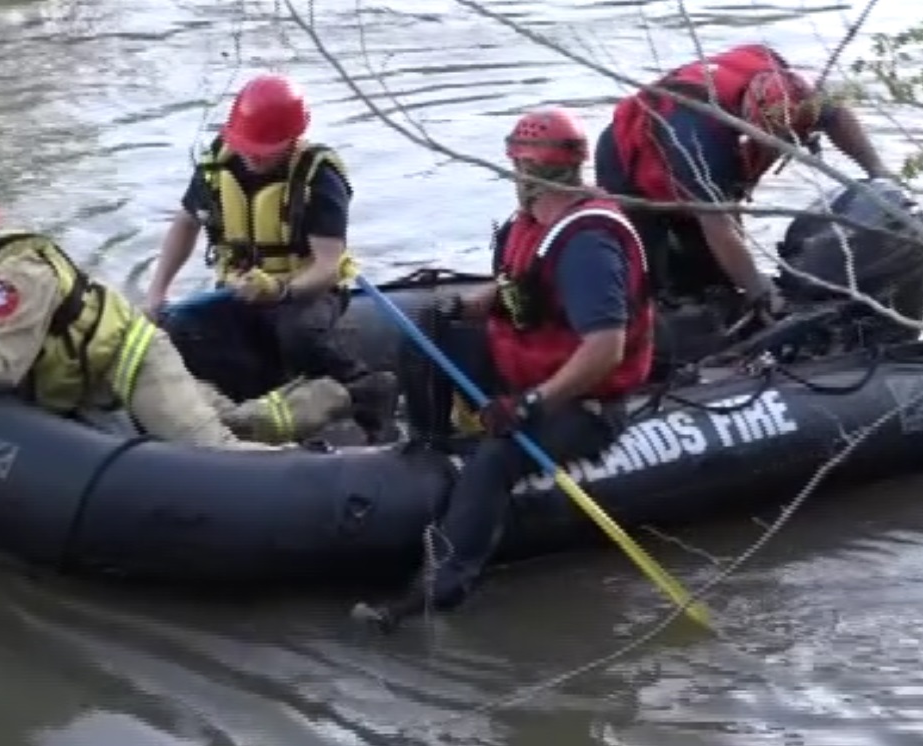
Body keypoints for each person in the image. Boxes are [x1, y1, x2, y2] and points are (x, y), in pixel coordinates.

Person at [352, 108, 656, 632]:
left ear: (530, 170)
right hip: (528, 363)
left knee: (496, 460)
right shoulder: (538, 221)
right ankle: (431, 447)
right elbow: (517, 284)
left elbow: (606, 346)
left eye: (517, 166)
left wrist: (532, 405)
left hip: (581, 399)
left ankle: (442, 587)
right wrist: (463, 308)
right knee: (427, 331)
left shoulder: (587, 244)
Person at [0, 171, 351, 448]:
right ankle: (334, 397)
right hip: (89, 380)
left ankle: (326, 457)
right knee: (236, 421)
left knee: (213, 450)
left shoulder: (15, 276)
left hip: (130, 363)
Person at [143, 72, 398, 443]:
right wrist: (156, 293)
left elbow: (327, 266)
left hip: (305, 290)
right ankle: (244, 406)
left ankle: (366, 390)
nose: (251, 157)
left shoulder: (318, 177)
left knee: (298, 334)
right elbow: (185, 225)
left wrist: (279, 291)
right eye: (245, 146)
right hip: (237, 289)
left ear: (292, 141)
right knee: (182, 332)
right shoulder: (220, 164)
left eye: (263, 151)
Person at [595, 42, 892, 324]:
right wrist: (761, 292)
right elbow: (718, 226)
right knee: (653, 282)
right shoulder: (697, 138)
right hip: (629, 168)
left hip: (701, 160)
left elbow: (836, 116)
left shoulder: (790, 88)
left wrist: (878, 171)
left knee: (718, 282)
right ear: (749, 123)